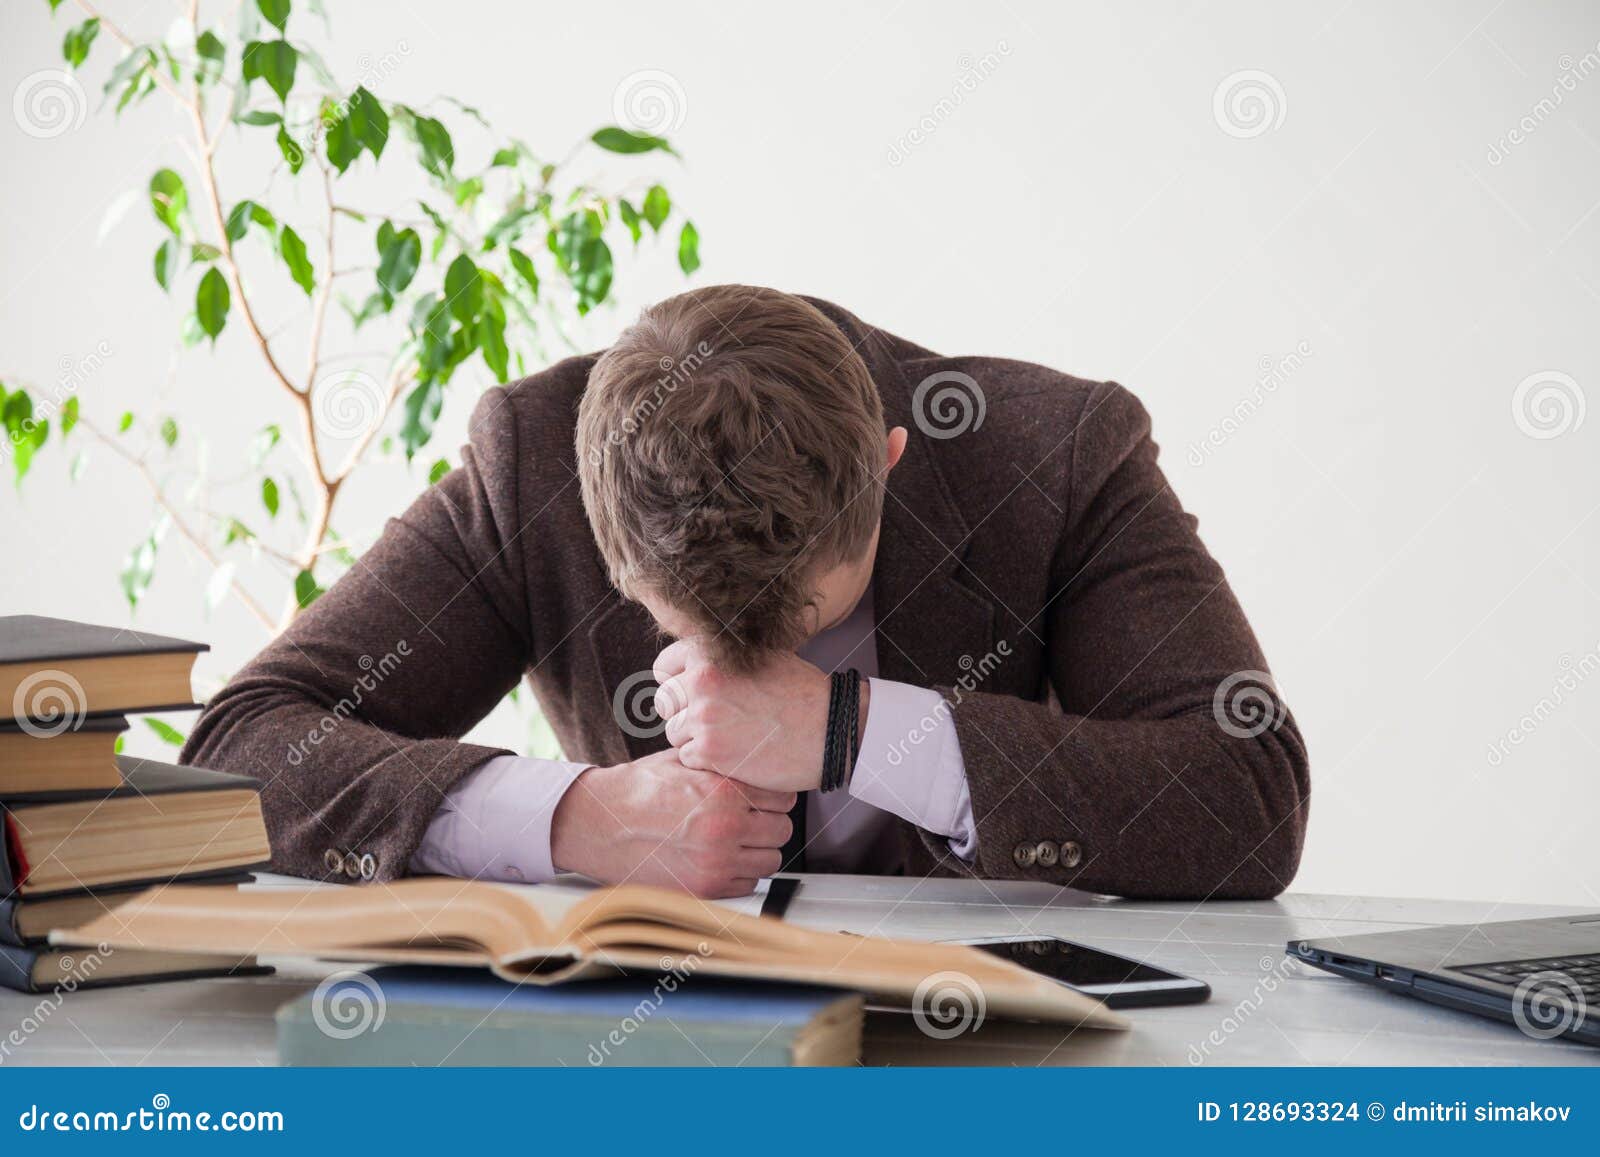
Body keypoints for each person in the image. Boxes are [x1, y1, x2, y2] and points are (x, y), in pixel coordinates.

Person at [182, 285, 1308, 899]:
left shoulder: (1056, 454)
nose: (741, 670)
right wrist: (577, 817)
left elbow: (1249, 794)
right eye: (696, 629)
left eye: (803, 619)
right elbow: (240, 750)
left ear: (888, 465)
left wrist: (854, 728)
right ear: (597, 518)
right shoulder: (536, 457)